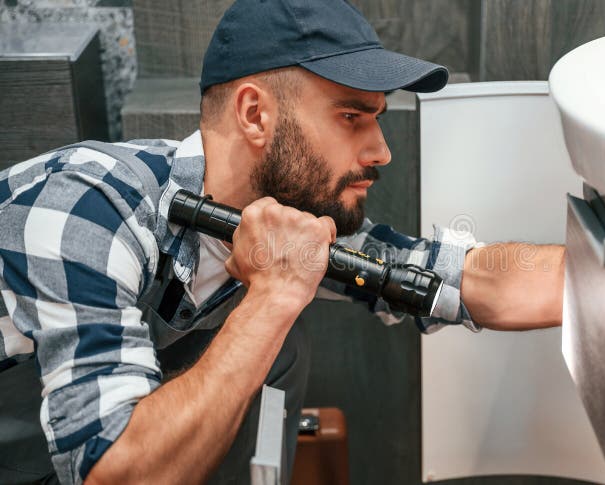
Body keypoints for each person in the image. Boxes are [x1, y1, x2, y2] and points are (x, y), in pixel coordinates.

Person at [0, 0, 565, 483]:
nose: (382, 151)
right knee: (272, 331)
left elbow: (475, 279)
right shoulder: (83, 205)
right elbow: (111, 472)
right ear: (254, 115)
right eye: (352, 116)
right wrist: (272, 295)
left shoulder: (285, 225)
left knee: (278, 345)